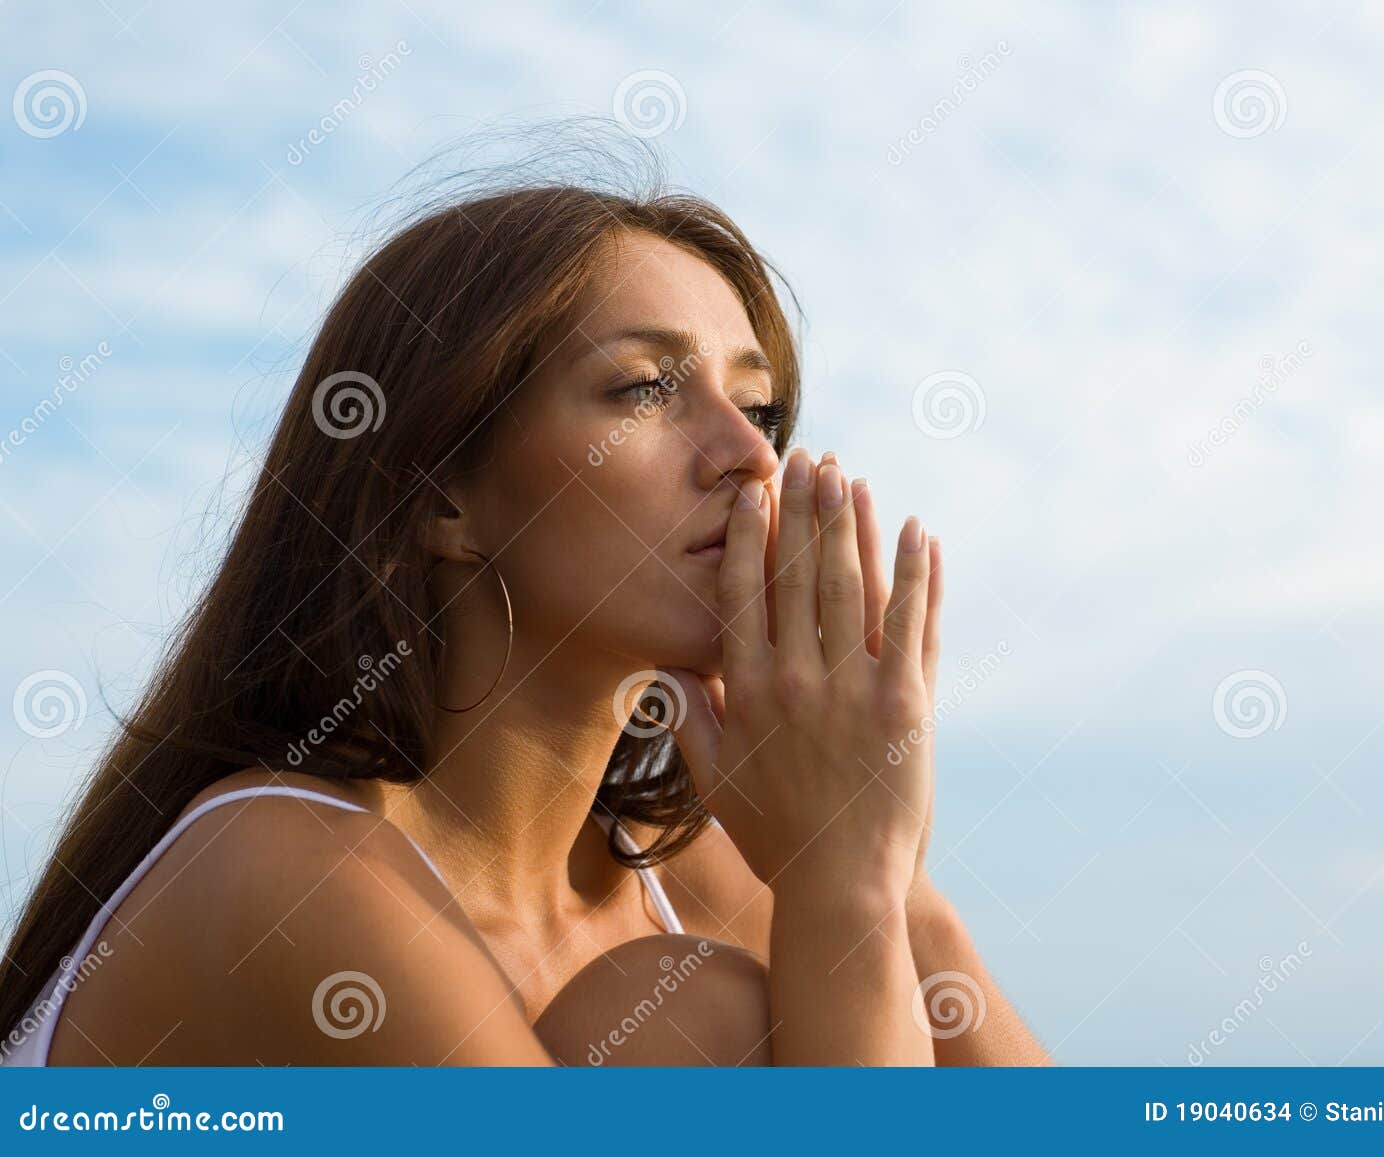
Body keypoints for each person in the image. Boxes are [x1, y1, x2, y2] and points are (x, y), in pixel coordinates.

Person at [0, 166, 1051, 1066]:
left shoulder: (688, 868)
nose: (748, 454)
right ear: (440, 494)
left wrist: (884, 868)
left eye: (760, 406)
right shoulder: (291, 868)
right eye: (645, 389)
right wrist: (840, 886)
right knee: (701, 1020)